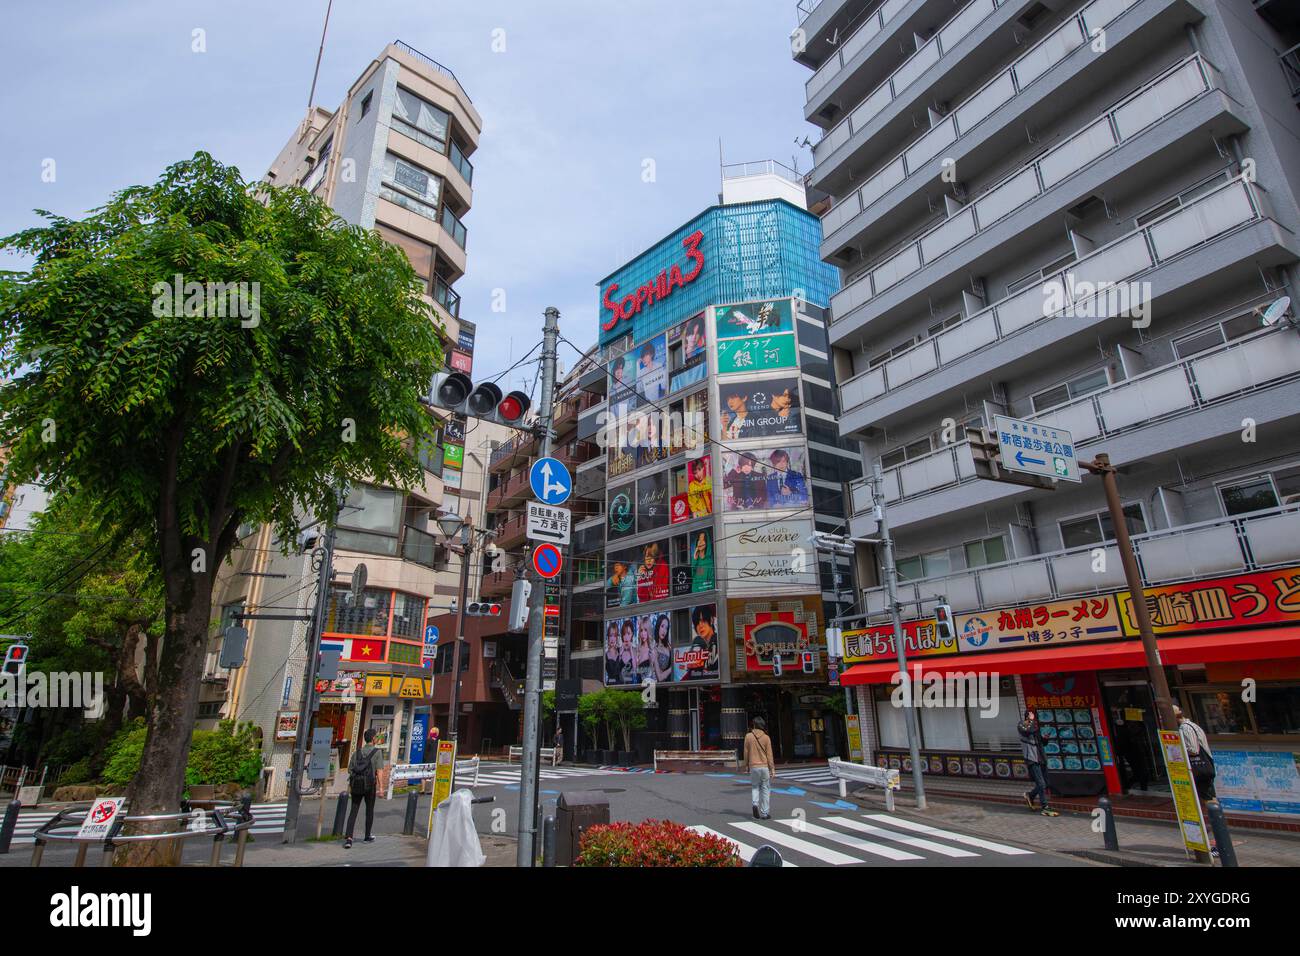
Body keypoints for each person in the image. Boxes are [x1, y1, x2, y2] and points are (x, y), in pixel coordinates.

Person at [1174, 704, 1219, 857]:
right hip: (1205, 769)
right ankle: (1216, 837)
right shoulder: (1194, 725)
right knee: (1211, 801)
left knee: (1210, 803)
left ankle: (1218, 842)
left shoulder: (1185, 728)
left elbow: (1193, 749)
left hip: (1200, 770)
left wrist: (1175, 750)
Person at [344, 728, 384, 848]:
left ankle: (349, 838)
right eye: (376, 737)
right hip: (370, 785)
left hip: (356, 785)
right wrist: (381, 788)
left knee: (353, 811)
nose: (377, 738)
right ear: (373, 739)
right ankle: (367, 836)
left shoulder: (357, 752)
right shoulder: (377, 752)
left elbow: (350, 769)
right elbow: (380, 771)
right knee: (369, 810)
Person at [1018, 709, 1059, 816]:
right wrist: (1031, 721)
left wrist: (1045, 739)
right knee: (1041, 784)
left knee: (1046, 783)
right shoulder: (1021, 726)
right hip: (1032, 759)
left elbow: (1042, 743)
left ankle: (1030, 795)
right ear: (1027, 717)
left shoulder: (1034, 728)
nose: (1034, 720)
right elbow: (1027, 731)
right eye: (1031, 717)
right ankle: (1045, 807)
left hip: (1041, 759)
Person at [743, 716, 777, 819]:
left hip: (753, 766)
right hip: (764, 766)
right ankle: (765, 812)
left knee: (755, 787)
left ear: (754, 724)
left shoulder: (748, 736)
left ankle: (754, 804)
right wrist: (772, 769)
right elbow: (769, 755)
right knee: (765, 788)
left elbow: (746, 752)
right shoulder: (766, 738)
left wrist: (746, 765)